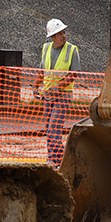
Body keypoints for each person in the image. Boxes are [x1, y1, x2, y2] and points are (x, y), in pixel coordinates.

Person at [38, 17, 78, 165]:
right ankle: (51, 158)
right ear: (52, 37)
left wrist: (58, 88)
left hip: (63, 95)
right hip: (48, 95)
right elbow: (42, 70)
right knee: (49, 128)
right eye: (60, 33)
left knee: (53, 127)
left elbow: (74, 74)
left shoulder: (72, 50)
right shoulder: (46, 48)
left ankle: (61, 160)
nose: (64, 36)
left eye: (64, 33)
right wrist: (36, 86)